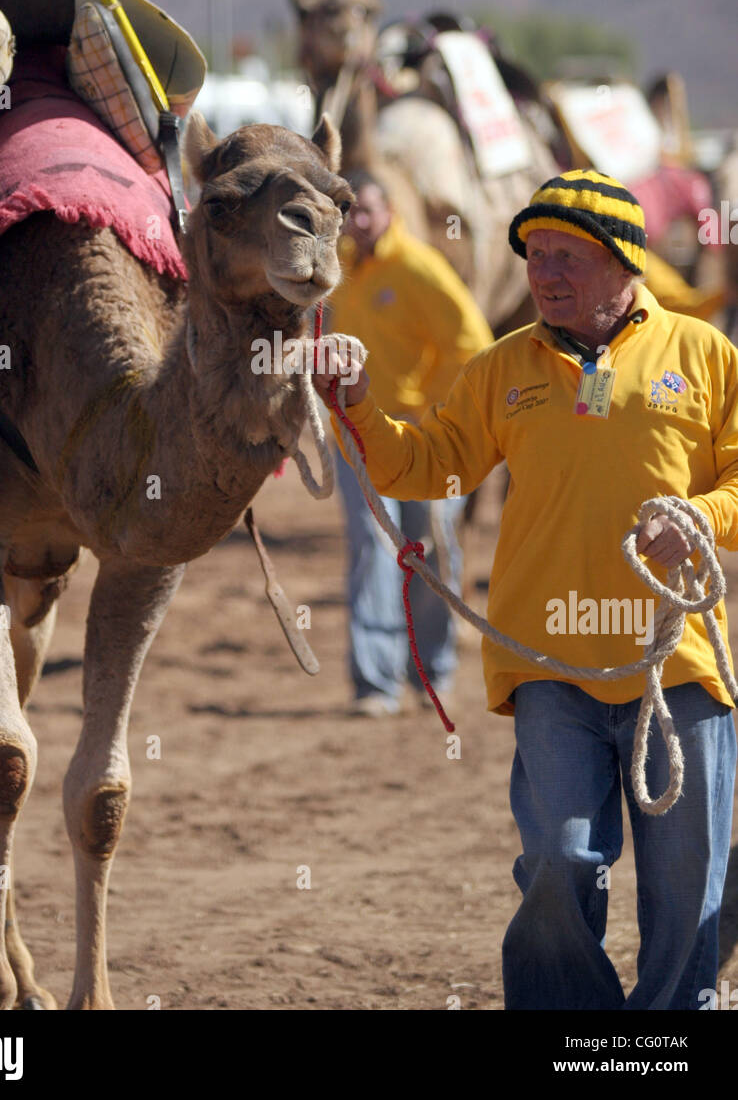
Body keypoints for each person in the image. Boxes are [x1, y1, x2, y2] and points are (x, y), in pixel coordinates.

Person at [314, 168, 738, 1010]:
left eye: (566, 257)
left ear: (624, 262)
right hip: (548, 665)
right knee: (555, 863)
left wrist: (700, 515)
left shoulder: (704, 353)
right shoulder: (502, 367)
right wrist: (357, 407)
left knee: (690, 883)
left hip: (675, 668)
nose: (543, 274)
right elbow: (425, 466)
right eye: (535, 255)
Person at [328, 169, 492, 716]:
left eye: (366, 210)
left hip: (420, 435)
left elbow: (472, 344)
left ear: (391, 212)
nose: (358, 222)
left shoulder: (420, 266)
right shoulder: (336, 271)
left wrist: (431, 412)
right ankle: (375, 683)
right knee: (371, 548)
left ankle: (434, 670)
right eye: (349, 212)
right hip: (354, 432)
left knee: (430, 546)